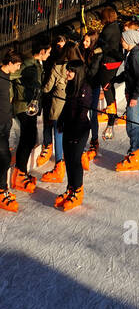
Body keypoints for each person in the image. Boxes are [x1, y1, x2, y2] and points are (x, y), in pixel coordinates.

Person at [53, 47, 93, 212]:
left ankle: (78, 191)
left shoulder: (85, 90)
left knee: (75, 161)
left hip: (80, 129)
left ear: (77, 73)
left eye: (70, 71)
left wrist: (74, 132)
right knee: (68, 160)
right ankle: (71, 188)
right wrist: (61, 119)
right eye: (67, 70)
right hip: (69, 126)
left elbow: (82, 114)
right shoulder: (71, 87)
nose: (67, 73)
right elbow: (67, 107)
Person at [10, 37, 51, 192]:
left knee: (30, 137)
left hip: (31, 107)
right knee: (27, 139)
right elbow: (11, 75)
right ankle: (19, 175)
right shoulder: (28, 64)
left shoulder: (38, 64)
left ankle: (22, 172)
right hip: (24, 106)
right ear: (41, 52)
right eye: (48, 52)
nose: (49, 54)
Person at [115, 22, 139, 172]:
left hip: (137, 94)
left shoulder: (134, 56)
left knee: (132, 125)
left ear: (129, 41)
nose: (121, 41)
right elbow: (129, 74)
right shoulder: (131, 53)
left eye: (123, 40)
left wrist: (135, 97)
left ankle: (134, 155)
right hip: (137, 93)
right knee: (138, 122)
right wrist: (115, 79)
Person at [38, 36, 69, 184]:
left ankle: (60, 161)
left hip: (60, 100)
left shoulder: (67, 65)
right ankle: (47, 145)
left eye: (63, 47)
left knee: (59, 128)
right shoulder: (52, 62)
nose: (60, 50)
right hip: (50, 97)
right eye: (58, 46)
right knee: (48, 122)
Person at [0, 47, 22, 213]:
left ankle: (3, 188)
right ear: (10, 63)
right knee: (5, 157)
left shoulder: (7, 75)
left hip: (6, 121)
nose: (18, 68)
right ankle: (1, 189)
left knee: (4, 157)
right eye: (17, 65)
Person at [96, 5, 124, 137]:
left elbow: (100, 42)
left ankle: (111, 117)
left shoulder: (108, 29)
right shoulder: (117, 25)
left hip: (109, 62)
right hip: (116, 61)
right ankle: (113, 113)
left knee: (106, 87)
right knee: (110, 85)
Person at [81, 29, 103, 165]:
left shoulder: (97, 55)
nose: (84, 42)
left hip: (93, 86)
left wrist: (81, 66)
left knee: (93, 114)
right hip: (83, 86)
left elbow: (91, 73)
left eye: (87, 41)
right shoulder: (82, 50)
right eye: (84, 40)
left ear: (93, 42)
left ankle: (94, 140)